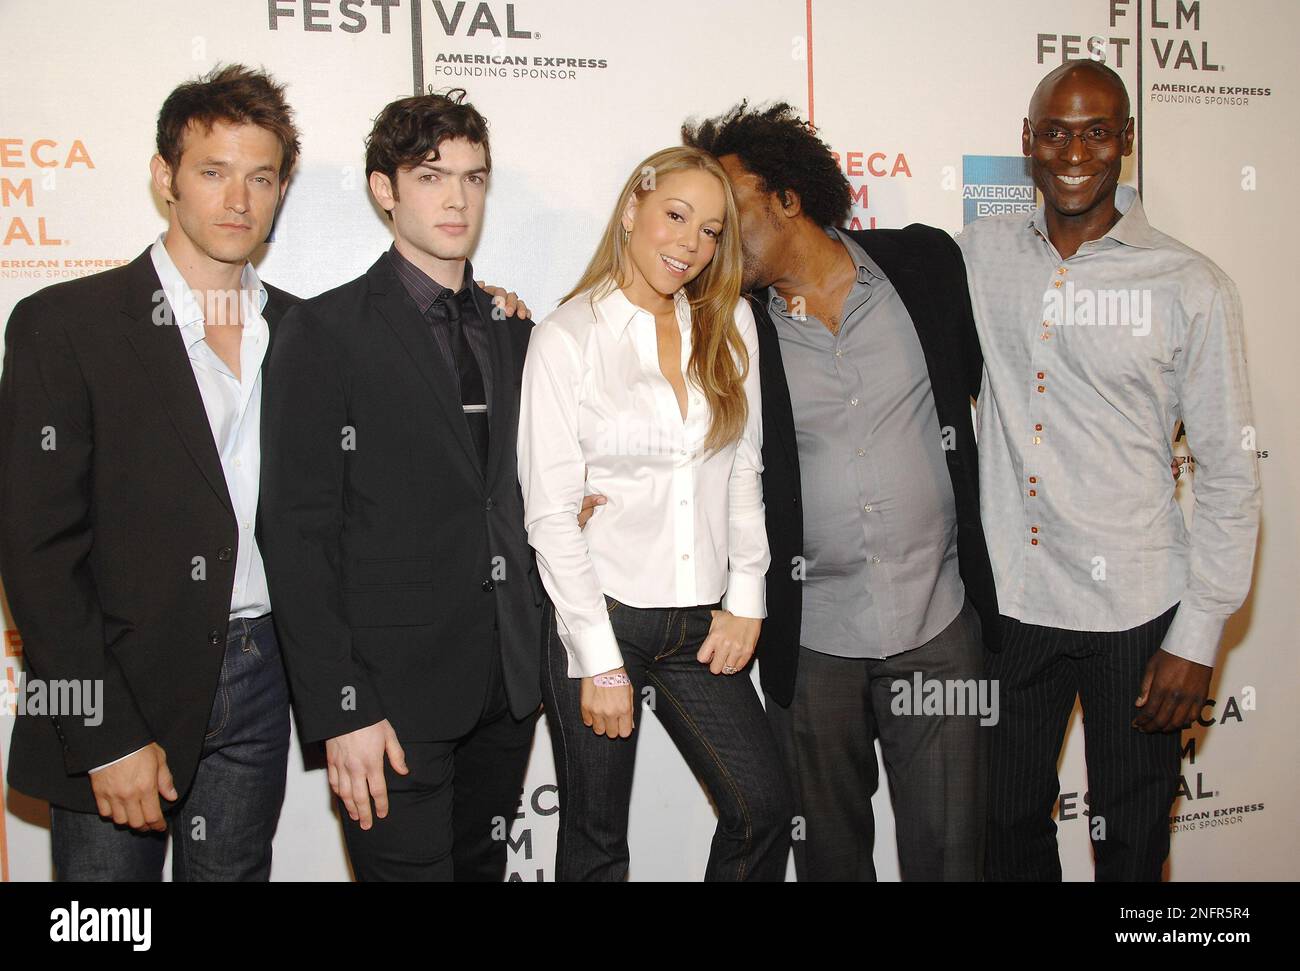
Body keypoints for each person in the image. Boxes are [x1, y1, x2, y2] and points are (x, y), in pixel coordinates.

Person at [958, 60, 1261, 881]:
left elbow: (1232, 476)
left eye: (1097, 130)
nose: (1074, 150)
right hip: (1015, 604)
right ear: (1028, 142)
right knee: (1004, 828)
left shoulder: (1191, 285)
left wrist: (1197, 634)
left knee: (1131, 844)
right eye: (1055, 130)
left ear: (1126, 140)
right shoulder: (978, 256)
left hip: (1139, 612)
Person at [682, 104, 999, 881]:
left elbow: (981, 378)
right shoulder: (727, 325)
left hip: (940, 627)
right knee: (828, 860)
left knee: (954, 857)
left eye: (729, 205)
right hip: (811, 640)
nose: (713, 234)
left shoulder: (925, 266)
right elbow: (616, 343)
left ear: (788, 196)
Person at [0, 64, 300, 880]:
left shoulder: (304, 331)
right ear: (165, 176)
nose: (238, 199)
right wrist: (102, 732)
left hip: (262, 670)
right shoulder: (65, 326)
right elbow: (36, 551)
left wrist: (487, 306)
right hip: (118, 683)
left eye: (260, 176)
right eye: (213, 171)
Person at [259, 89, 539, 882]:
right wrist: (340, 704)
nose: (456, 197)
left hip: (506, 685)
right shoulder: (324, 331)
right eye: (430, 175)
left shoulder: (516, 330)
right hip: (387, 698)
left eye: (473, 177)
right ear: (384, 190)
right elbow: (296, 530)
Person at [519, 146, 792, 881]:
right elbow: (549, 515)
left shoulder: (730, 321)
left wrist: (746, 599)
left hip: (702, 619)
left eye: (709, 231)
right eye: (676, 216)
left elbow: (744, 467)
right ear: (634, 207)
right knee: (597, 837)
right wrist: (600, 663)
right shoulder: (566, 337)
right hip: (600, 614)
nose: (691, 245)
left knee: (763, 806)